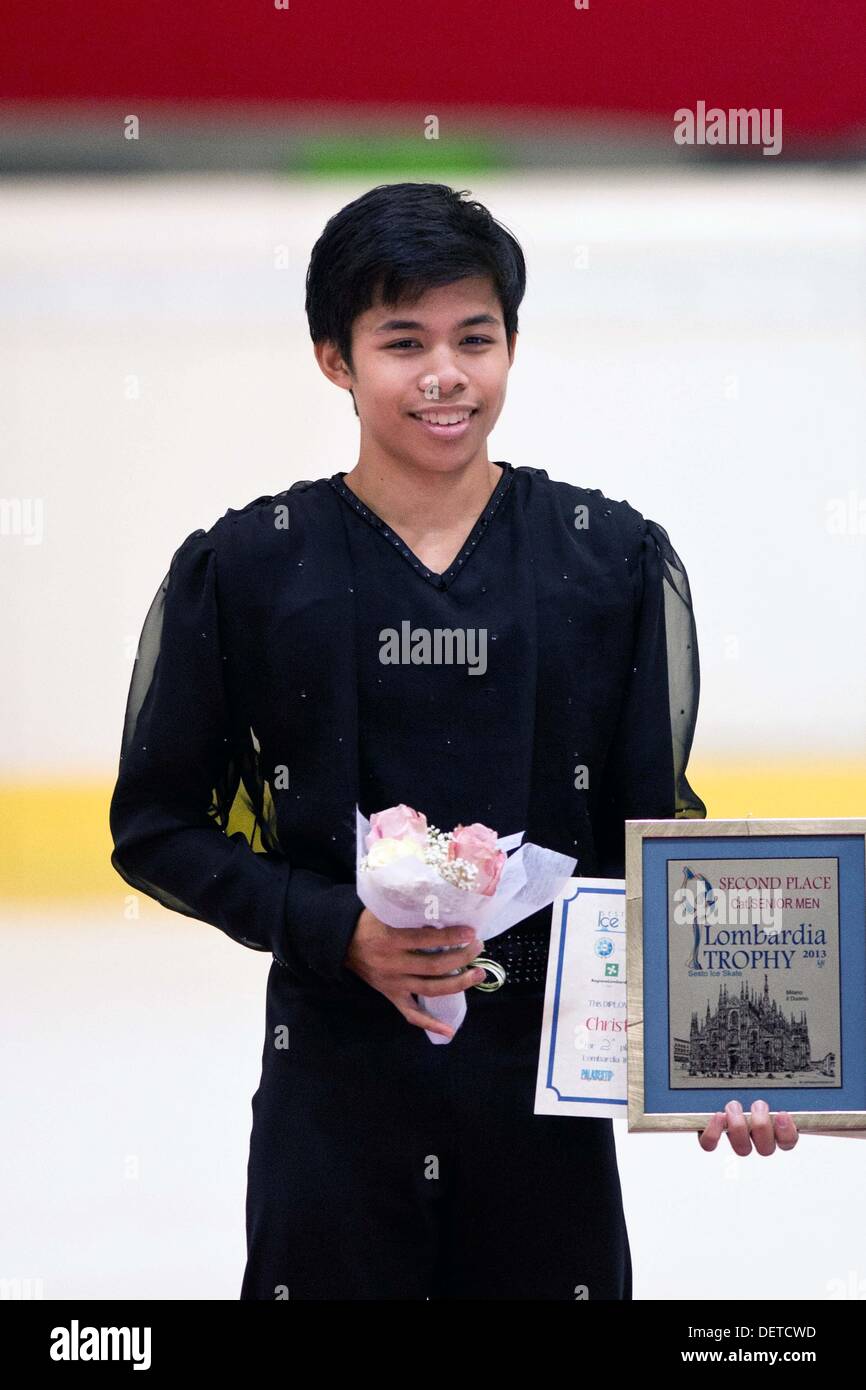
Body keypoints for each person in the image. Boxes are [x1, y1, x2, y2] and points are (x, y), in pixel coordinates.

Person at [108, 182, 803, 1303]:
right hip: (330, 1092)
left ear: (511, 346)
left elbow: (651, 836)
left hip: (544, 1100)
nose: (445, 374)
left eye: (473, 338)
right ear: (333, 357)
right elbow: (154, 827)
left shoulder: (607, 559)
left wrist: (726, 1054)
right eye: (402, 340)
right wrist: (337, 929)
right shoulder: (247, 566)